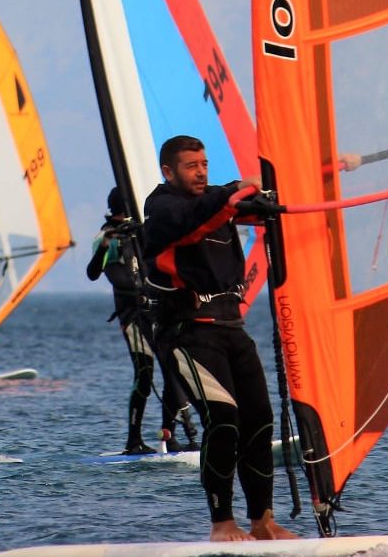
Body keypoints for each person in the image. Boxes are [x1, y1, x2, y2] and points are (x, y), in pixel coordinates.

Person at [140, 135, 295, 542]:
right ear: (168, 172)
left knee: (259, 418)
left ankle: (263, 520)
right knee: (223, 418)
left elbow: (251, 207)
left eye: (205, 163)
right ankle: (222, 521)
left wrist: (295, 184)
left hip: (231, 328)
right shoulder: (162, 209)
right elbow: (200, 215)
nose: (202, 171)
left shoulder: (215, 202)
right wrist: (236, 190)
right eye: (192, 166)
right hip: (186, 332)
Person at [86, 185, 198, 455]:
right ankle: (133, 441)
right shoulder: (108, 238)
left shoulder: (143, 233)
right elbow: (110, 277)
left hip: (158, 314)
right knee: (145, 374)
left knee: (174, 371)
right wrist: (106, 245)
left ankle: (168, 436)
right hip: (133, 317)